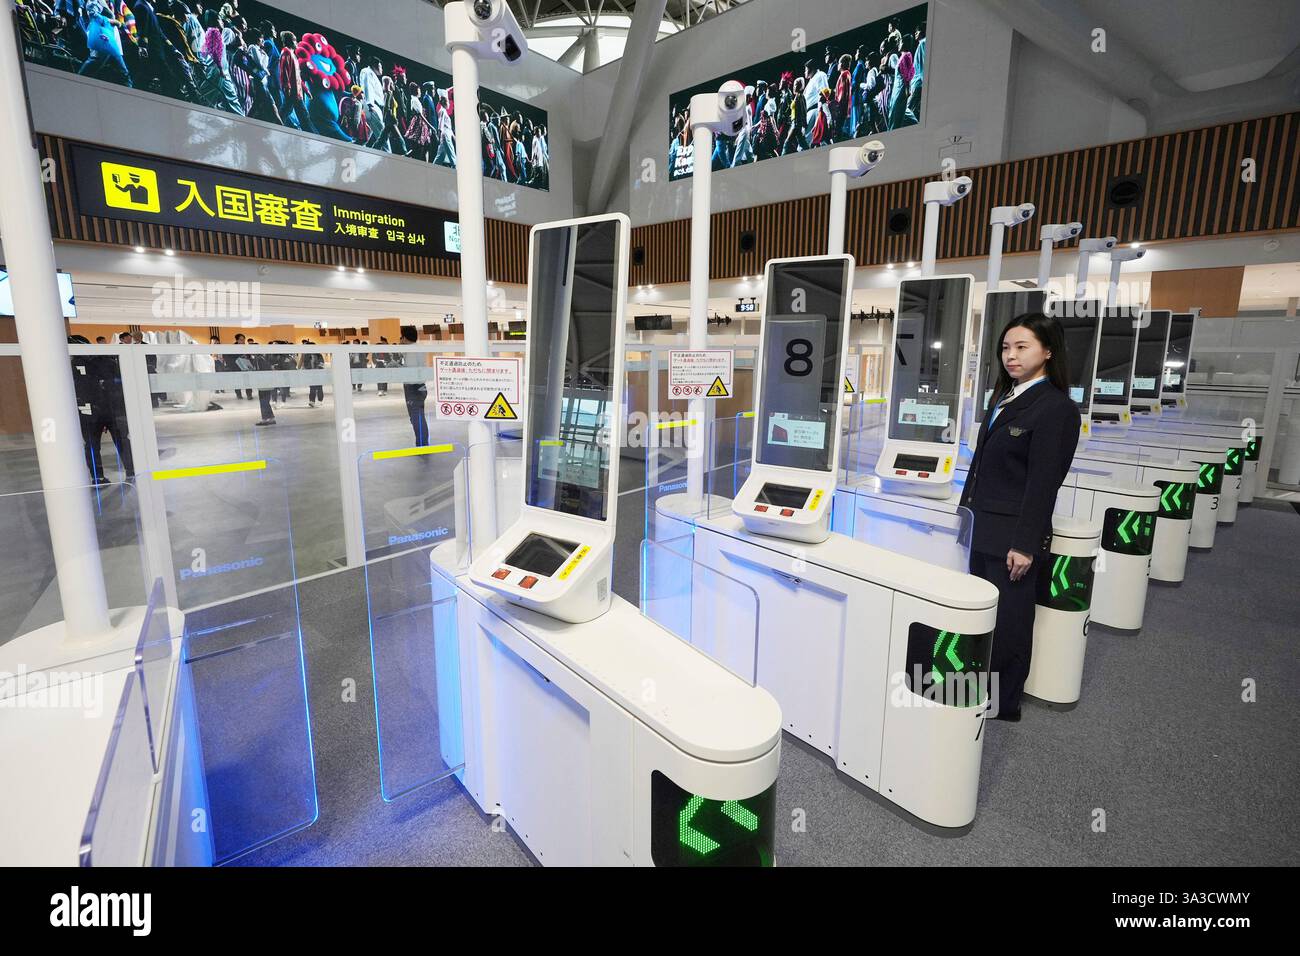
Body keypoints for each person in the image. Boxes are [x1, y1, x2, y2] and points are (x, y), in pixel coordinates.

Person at [959, 312, 1081, 721]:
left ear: (1047, 351)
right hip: (983, 525)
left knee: (1010, 621)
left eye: (1021, 347)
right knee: (982, 614)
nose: (1011, 356)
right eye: (1006, 348)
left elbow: (1044, 484)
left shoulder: (1055, 408)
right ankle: (977, 689)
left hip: (1012, 535)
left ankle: (1003, 702)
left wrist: (1026, 543)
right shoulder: (1005, 396)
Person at [398, 325, 428, 447]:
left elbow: (410, 371)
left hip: (413, 387)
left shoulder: (410, 351)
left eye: (401, 337)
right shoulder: (418, 348)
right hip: (421, 386)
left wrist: (398, 367)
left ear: (404, 338)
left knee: (416, 417)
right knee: (418, 416)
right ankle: (422, 443)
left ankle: (421, 445)